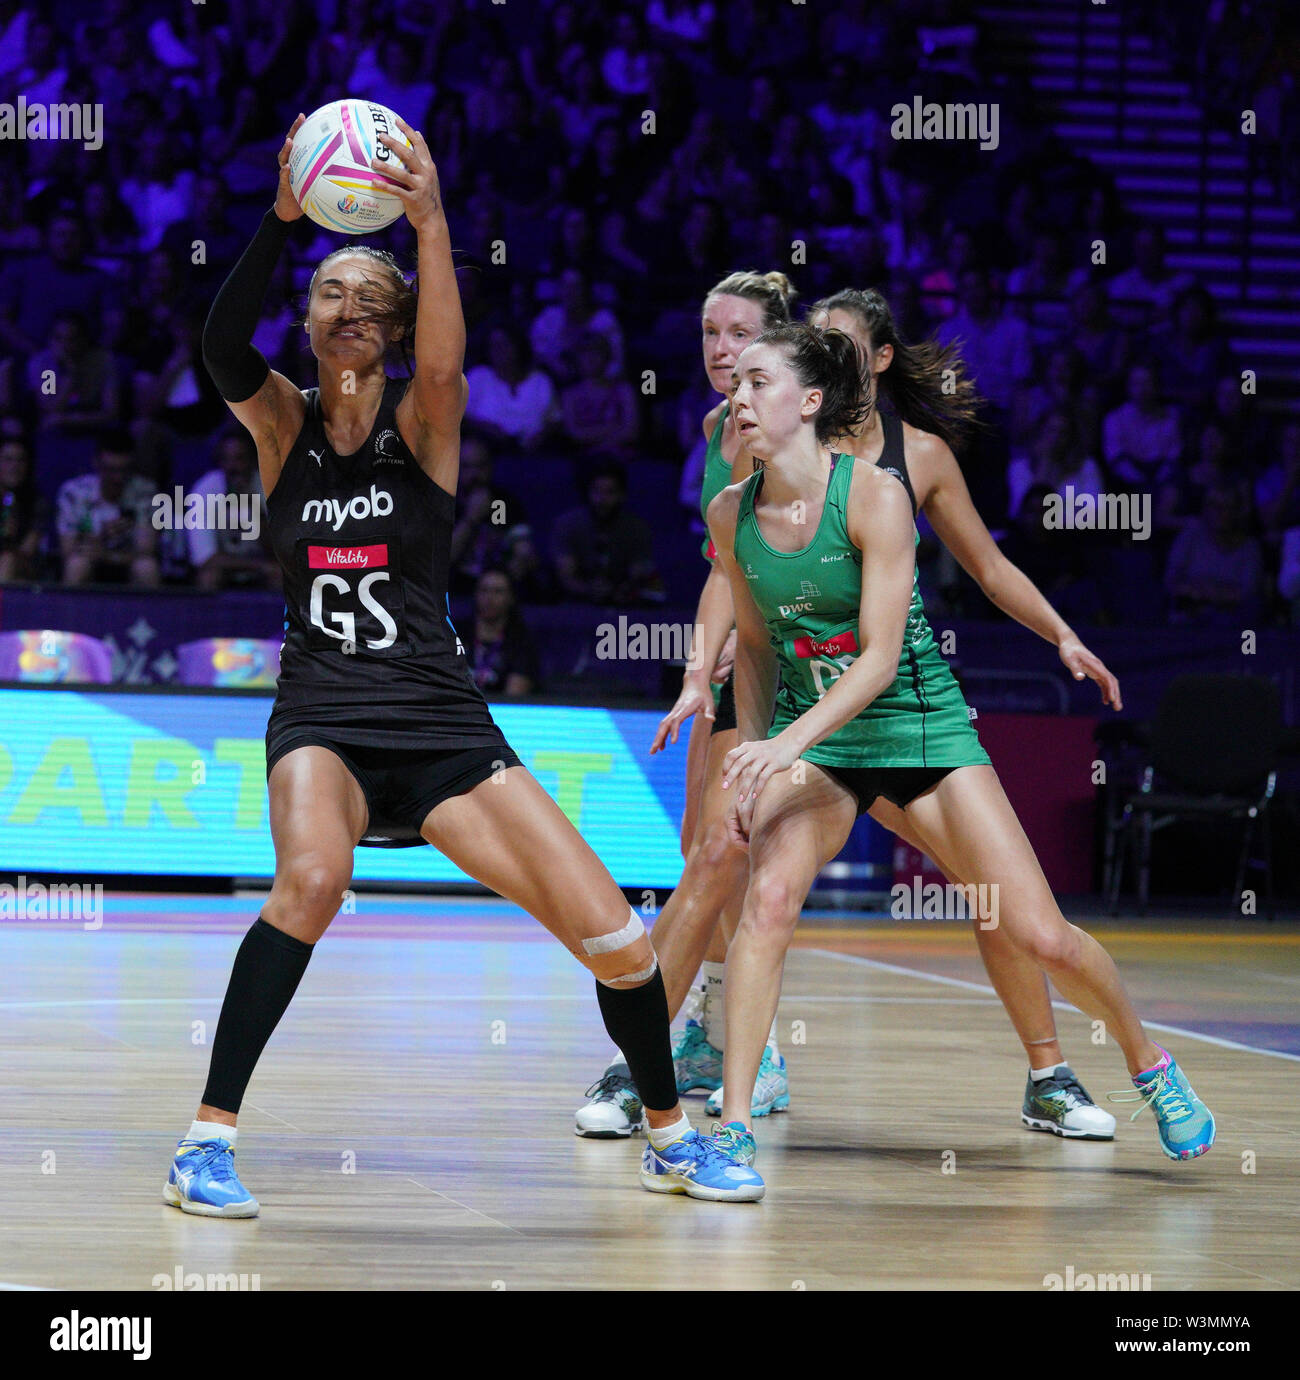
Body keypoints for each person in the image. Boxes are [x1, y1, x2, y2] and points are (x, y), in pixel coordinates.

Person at [165, 117, 761, 1217]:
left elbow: (446, 359)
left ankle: (671, 1135)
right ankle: (206, 1142)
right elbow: (216, 346)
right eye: (327, 291)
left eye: (365, 296)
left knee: (621, 943)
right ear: (307, 318)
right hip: (324, 715)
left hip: (442, 726)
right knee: (311, 883)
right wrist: (279, 217)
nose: (343, 306)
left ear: (390, 327)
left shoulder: (422, 420)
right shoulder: (280, 421)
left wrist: (431, 217)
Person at [705, 321, 1214, 1193]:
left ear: (811, 402)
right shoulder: (730, 514)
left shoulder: (875, 497)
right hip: (822, 748)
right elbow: (754, 651)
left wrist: (782, 744)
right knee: (769, 901)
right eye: (733, 383)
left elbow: (874, 659)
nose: (737, 396)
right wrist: (753, 754)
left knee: (1040, 934)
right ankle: (736, 1125)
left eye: (757, 381)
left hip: (918, 730)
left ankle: (1148, 1063)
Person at [575, 271, 795, 1139]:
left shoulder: (775, 428)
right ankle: (708, 1032)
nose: (718, 348)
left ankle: (749, 1050)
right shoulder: (713, 426)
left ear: (775, 341)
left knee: (731, 861)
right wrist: (698, 674)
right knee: (705, 857)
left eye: (738, 333)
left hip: (791, 674)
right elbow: (720, 567)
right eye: (708, 332)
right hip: (730, 666)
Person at [551, 459, 663, 604]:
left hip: (624, 605)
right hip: (575, 604)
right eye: (596, 491)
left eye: (610, 492)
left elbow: (640, 573)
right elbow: (566, 577)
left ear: (622, 495)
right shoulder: (567, 525)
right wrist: (590, 590)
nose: (601, 499)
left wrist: (620, 591)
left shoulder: (637, 528)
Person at [56, 431, 159, 586]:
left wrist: (105, 554)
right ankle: (70, 611)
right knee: (76, 564)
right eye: (110, 470)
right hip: (89, 563)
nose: (118, 478)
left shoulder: (146, 491)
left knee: (147, 567)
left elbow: (146, 550)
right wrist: (103, 537)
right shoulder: (74, 492)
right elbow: (68, 550)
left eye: (124, 470)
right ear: (96, 463)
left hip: (127, 564)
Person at [468, 568, 539, 696]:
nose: (489, 598)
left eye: (498, 592)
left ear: (510, 598)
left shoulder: (521, 644)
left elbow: (513, 698)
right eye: (484, 590)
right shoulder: (455, 636)